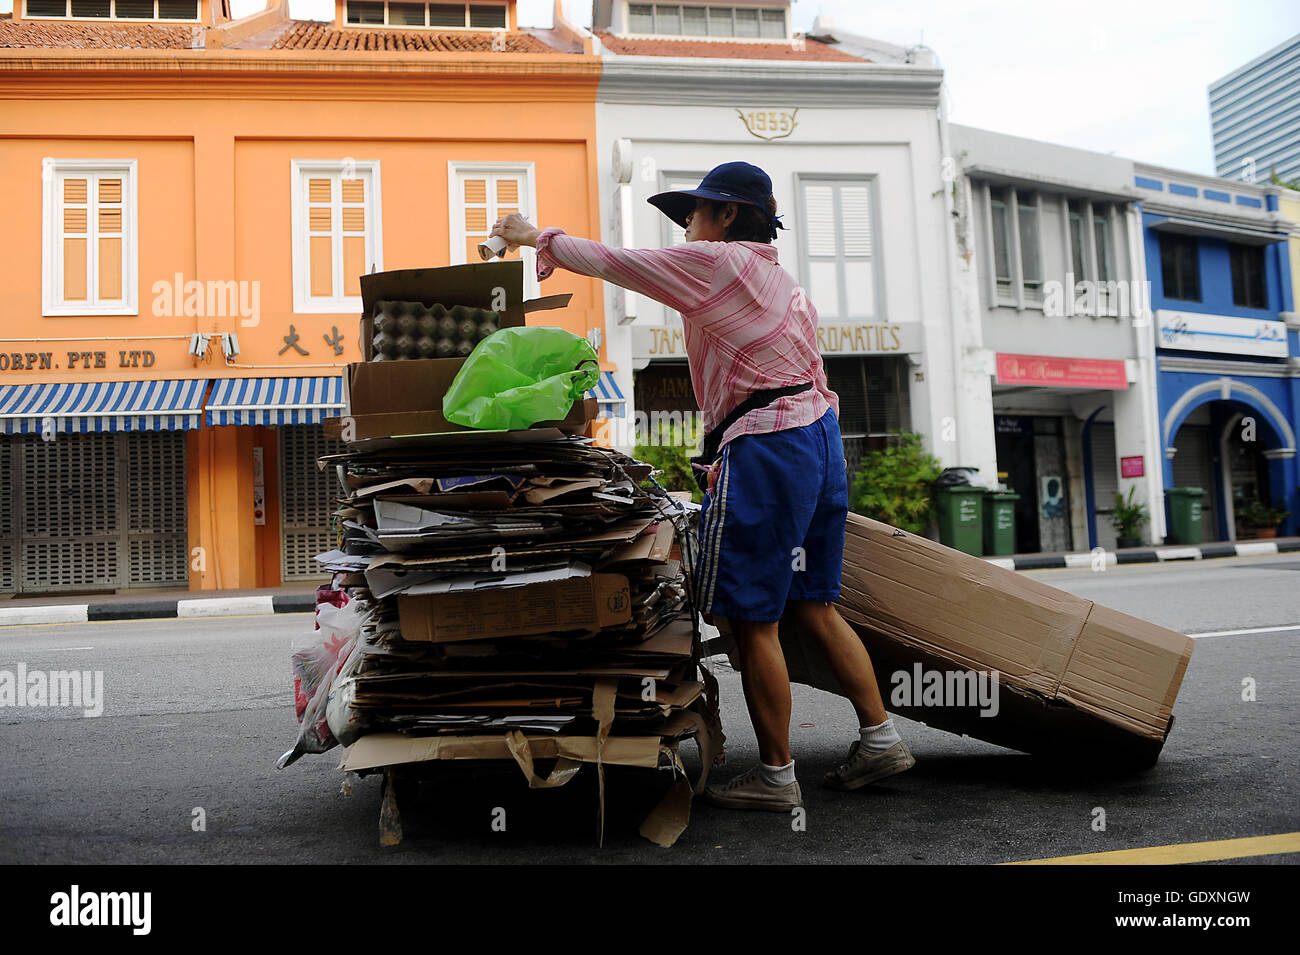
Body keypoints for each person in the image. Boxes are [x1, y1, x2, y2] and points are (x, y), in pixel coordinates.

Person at [489, 161, 914, 812]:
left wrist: (532, 237)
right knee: (814, 605)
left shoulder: (720, 263)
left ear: (727, 218)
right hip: (818, 438)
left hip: (772, 443)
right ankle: (880, 737)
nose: (686, 226)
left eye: (695, 211)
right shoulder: (781, 281)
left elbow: (619, 262)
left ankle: (776, 777)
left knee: (753, 621)